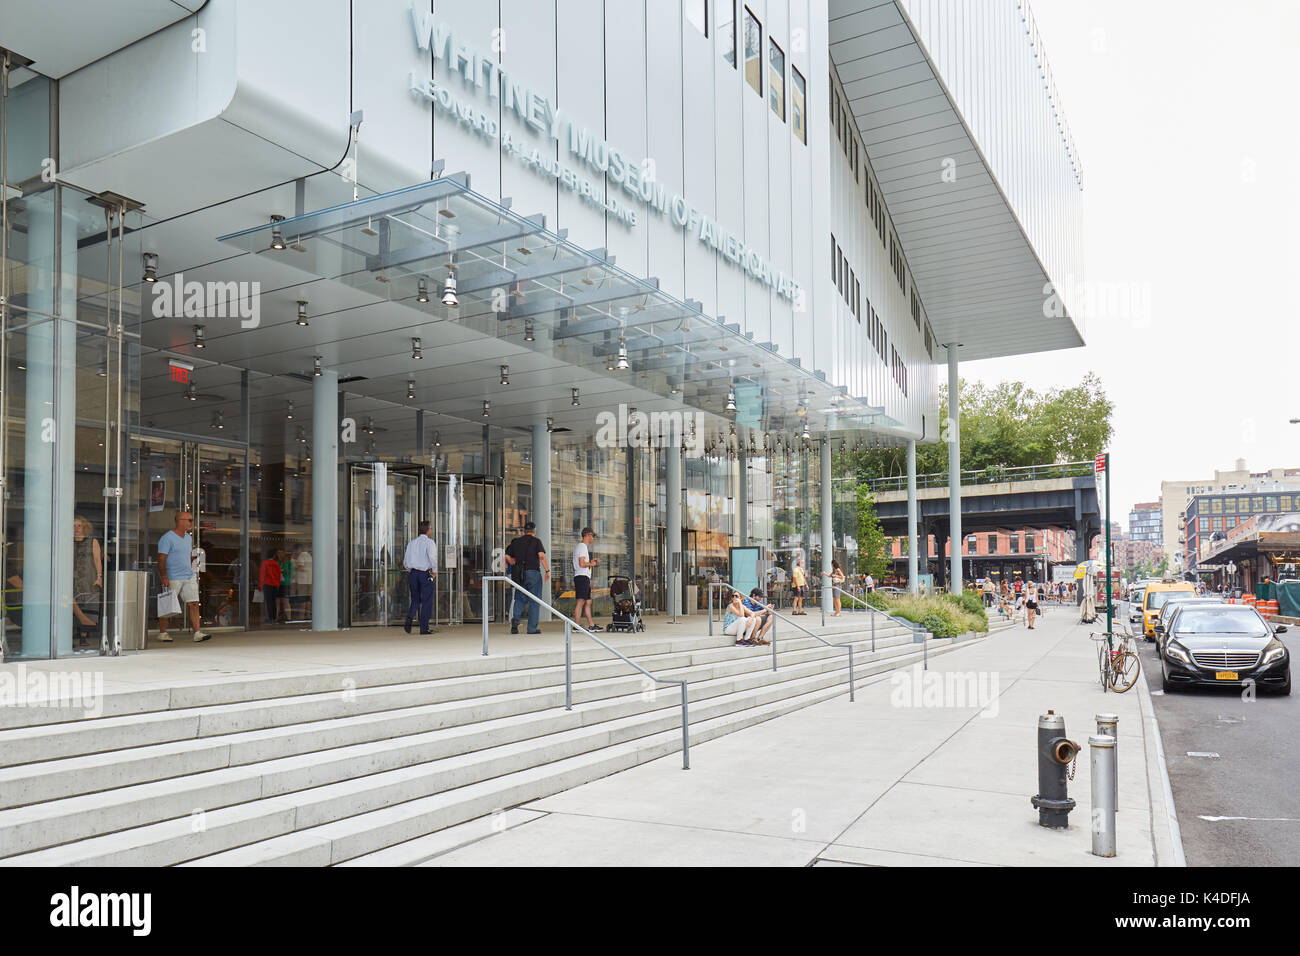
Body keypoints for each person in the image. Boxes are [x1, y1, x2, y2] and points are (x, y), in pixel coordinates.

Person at [158, 510, 209, 643]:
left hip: (188, 575)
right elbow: (161, 558)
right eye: (189, 520)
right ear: (180, 521)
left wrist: (194, 558)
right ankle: (163, 633)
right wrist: (164, 576)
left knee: (194, 604)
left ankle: (197, 633)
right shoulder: (167, 538)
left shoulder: (188, 537)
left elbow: (186, 556)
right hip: (173, 576)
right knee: (168, 604)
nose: (191, 523)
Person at [504, 521, 550, 634]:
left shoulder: (516, 542)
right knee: (534, 600)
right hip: (533, 573)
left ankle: (515, 621)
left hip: (519, 574)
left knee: (519, 598)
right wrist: (547, 570)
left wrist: (513, 564)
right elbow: (541, 556)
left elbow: (507, 556)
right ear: (534, 531)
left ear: (524, 531)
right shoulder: (536, 541)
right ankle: (531, 629)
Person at [72, 516, 103, 647]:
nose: (76, 529)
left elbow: (97, 560)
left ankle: (83, 637)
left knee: (88, 607)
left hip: (88, 578)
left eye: (79, 526)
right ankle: (71, 634)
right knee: (72, 606)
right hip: (72, 579)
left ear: (85, 527)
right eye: (74, 526)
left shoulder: (92, 541)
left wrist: (99, 576)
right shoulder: (67, 541)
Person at [402, 520, 438, 635]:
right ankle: (424, 628)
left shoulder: (411, 543)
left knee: (415, 598)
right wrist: (434, 572)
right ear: (428, 530)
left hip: (413, 573)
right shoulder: (430, 542)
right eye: (431, 528)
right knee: (426, 600)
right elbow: (432, 558)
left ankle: (410, 617)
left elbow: (406, 562)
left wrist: (411, 570)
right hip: (424, 574)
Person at [572, 527, 601, 632]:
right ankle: (576, 626)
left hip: (583, 577)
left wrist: (591, 562)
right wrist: (591, 563)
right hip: (581, 577)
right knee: (581, 601)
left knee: (588, 601)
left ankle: (591, 625)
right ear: (588, 535)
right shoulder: (582, 546)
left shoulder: (581, 547)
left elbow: (582, 563)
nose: (593, 538)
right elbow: (582, 563)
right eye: (592, 536)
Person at [258, 551, 281, 624]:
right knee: (273, 602)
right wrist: (278, 584)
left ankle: (270, 618)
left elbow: (262, 575)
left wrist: (260, 585)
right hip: (275, 585)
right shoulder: (276, 563)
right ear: (274, 556)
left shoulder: (265, 563)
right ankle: (274, 618)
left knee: (268, 602)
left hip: (267, 584)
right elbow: (279, 575)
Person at [275, 548, 293, 623]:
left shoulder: (288, 562)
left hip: (285, 583)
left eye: (281, 553)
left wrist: (283, 570)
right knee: (277, 601)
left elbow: (291, 573)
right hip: (277, 583)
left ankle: (289, 617)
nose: (280, 555)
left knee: (286, 601)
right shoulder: (276, 562)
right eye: (278, 553)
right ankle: (275, 617)